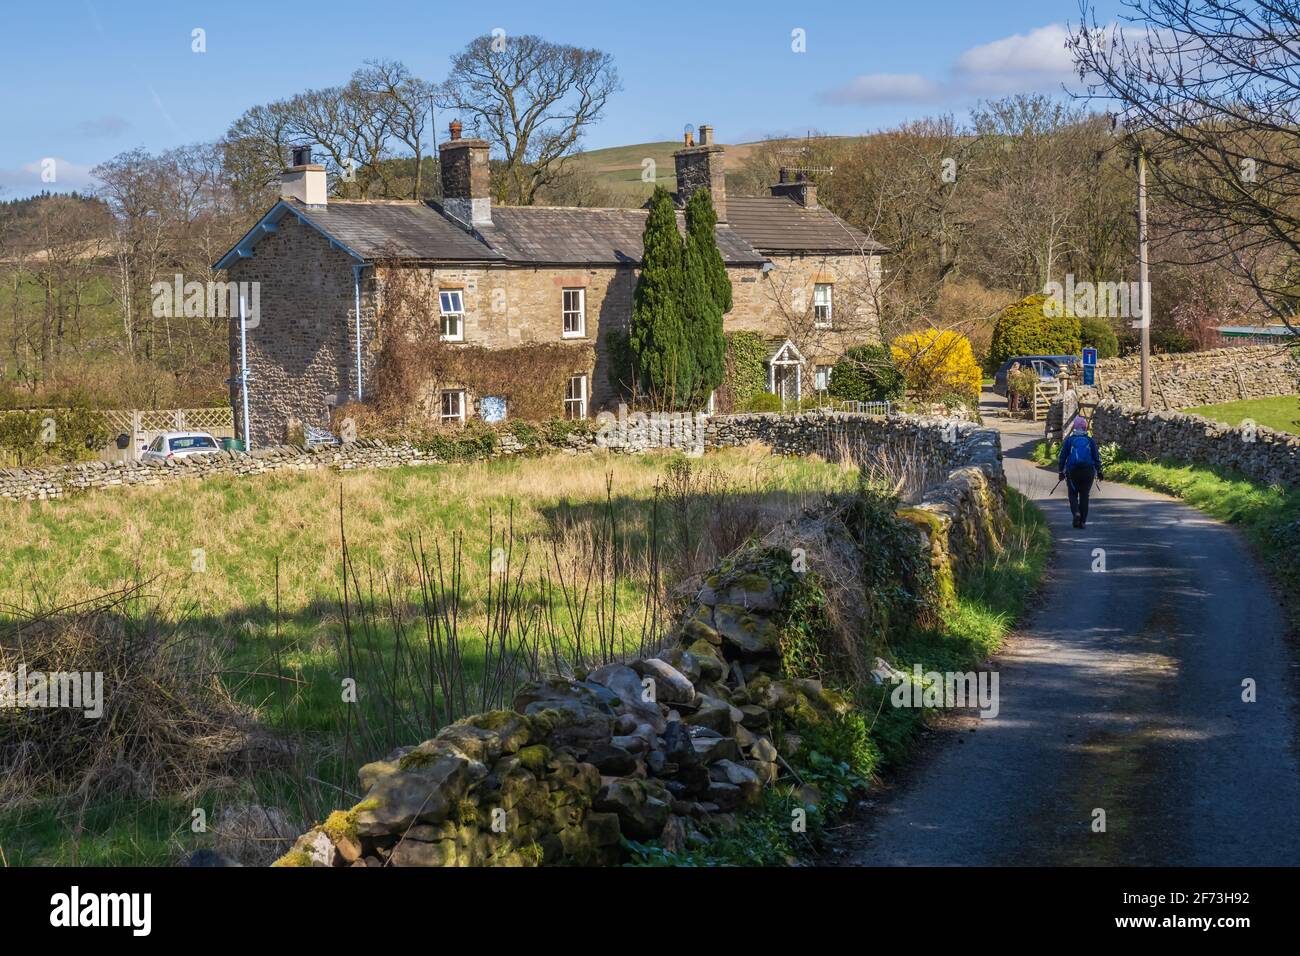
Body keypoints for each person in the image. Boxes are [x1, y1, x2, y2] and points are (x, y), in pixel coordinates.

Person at [1058, 415, 1103, 528]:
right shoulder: (1090, 441)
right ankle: (1082, 521)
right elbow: (1096, 457)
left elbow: (1062, 457)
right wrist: (1099, 471)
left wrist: (1060, 471)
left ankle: (1076, 513)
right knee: (1084, 495)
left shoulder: (1070, 440)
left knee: (1073, 494)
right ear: (1085, 427)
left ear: (1074, 427)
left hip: (1072, 471)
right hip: (1088, 471)